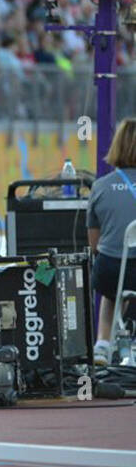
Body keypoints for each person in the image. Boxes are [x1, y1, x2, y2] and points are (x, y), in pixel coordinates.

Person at [88, 117, 136, 363]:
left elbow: (94, 245)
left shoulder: (100, 187)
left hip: (110, 271)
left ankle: (103, 345)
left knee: (111, 294)